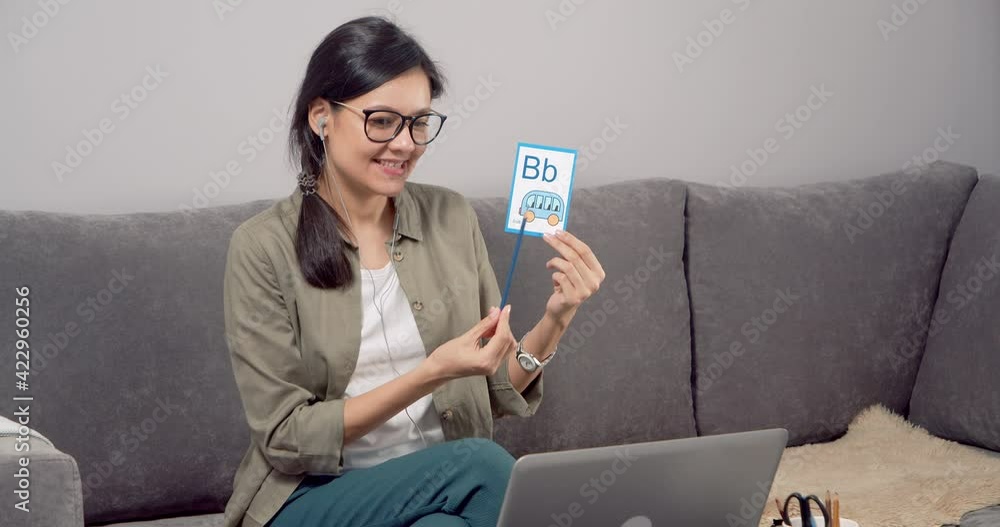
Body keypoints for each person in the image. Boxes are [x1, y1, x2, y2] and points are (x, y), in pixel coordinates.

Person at [221, 16, 606, 527]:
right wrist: (431, 374)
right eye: (382, 120)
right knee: (481, 462)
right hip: (313, 499)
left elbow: (493, 391)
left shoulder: (451, 217)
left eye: (419, 122)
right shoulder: (262, 247)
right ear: (321, 117)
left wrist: (557, 317)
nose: (405, 143)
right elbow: (285, 439)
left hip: (434, 493)